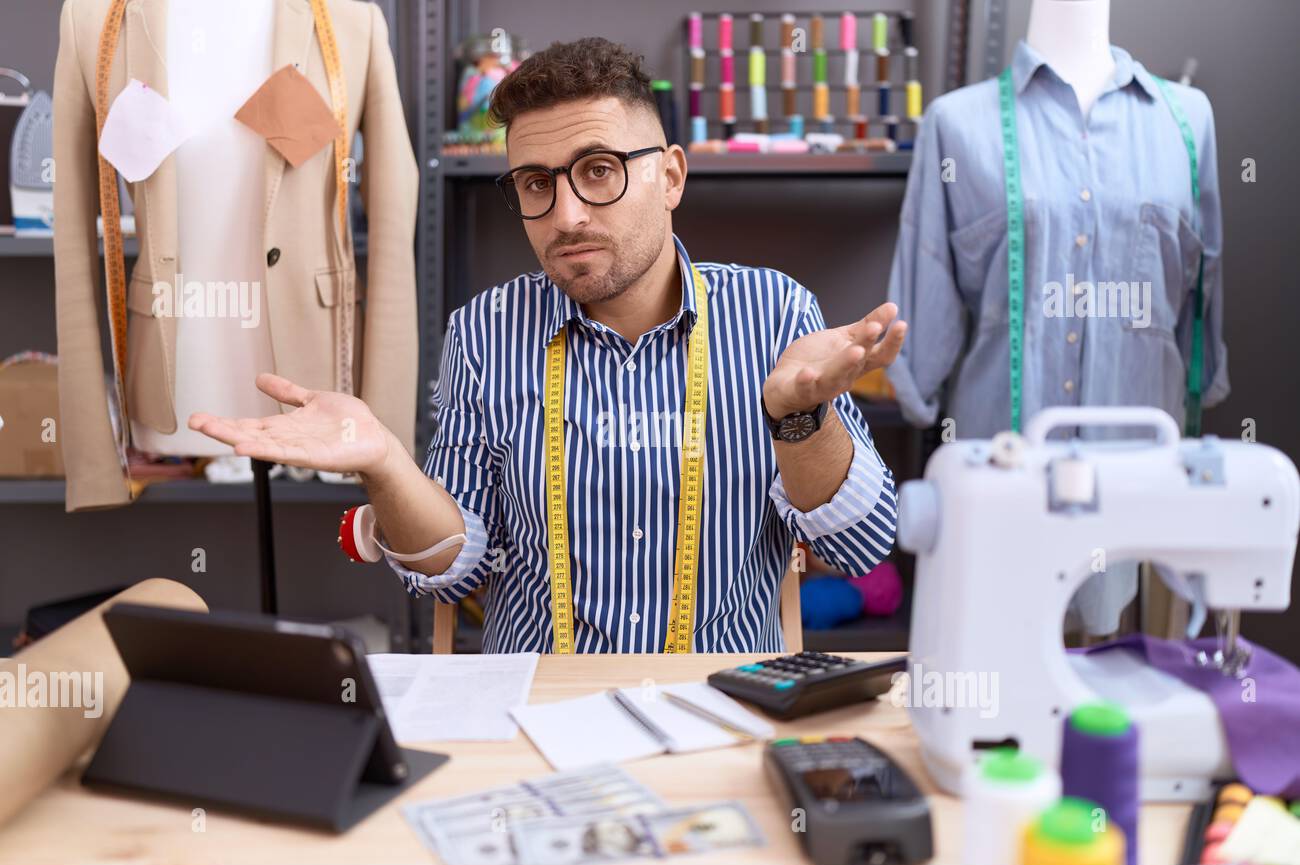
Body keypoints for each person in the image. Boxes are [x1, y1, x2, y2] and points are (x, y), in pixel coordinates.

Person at [191, 37, 908, 653]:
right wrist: (384, 465)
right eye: (537, 183)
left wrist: (797, 421)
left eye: (599, 170)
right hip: (534, 710)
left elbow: (858, 549)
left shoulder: (773, 314)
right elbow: (454, 571)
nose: (564, 216)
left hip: (722, 701)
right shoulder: (483, 333)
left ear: (671, 177)